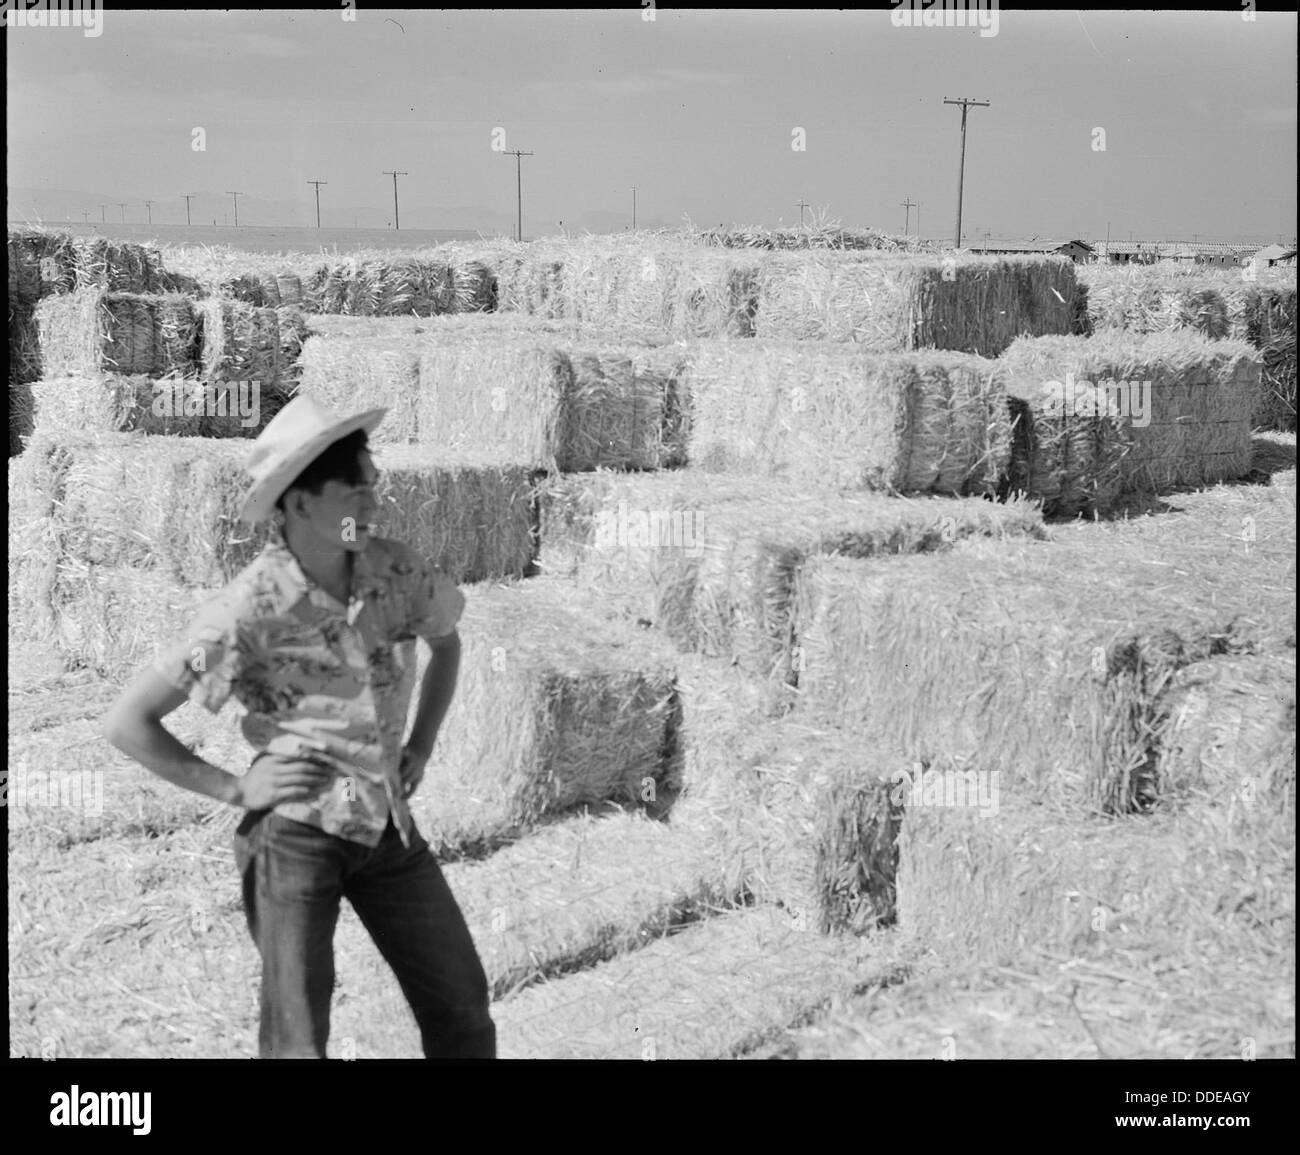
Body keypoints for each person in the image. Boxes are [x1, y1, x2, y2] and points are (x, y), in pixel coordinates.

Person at [103, 396, 496, 1059]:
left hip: (387, 828)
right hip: (294, 838)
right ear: (300, 502)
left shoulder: (398, 570)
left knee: (462, 1009)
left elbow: (447, 644)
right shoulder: (247, 610)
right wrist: (235, 789)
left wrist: (422, 743)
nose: (373, 501)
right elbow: (127, 721)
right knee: (297, 1042)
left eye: (373, 483)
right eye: (355, 488)